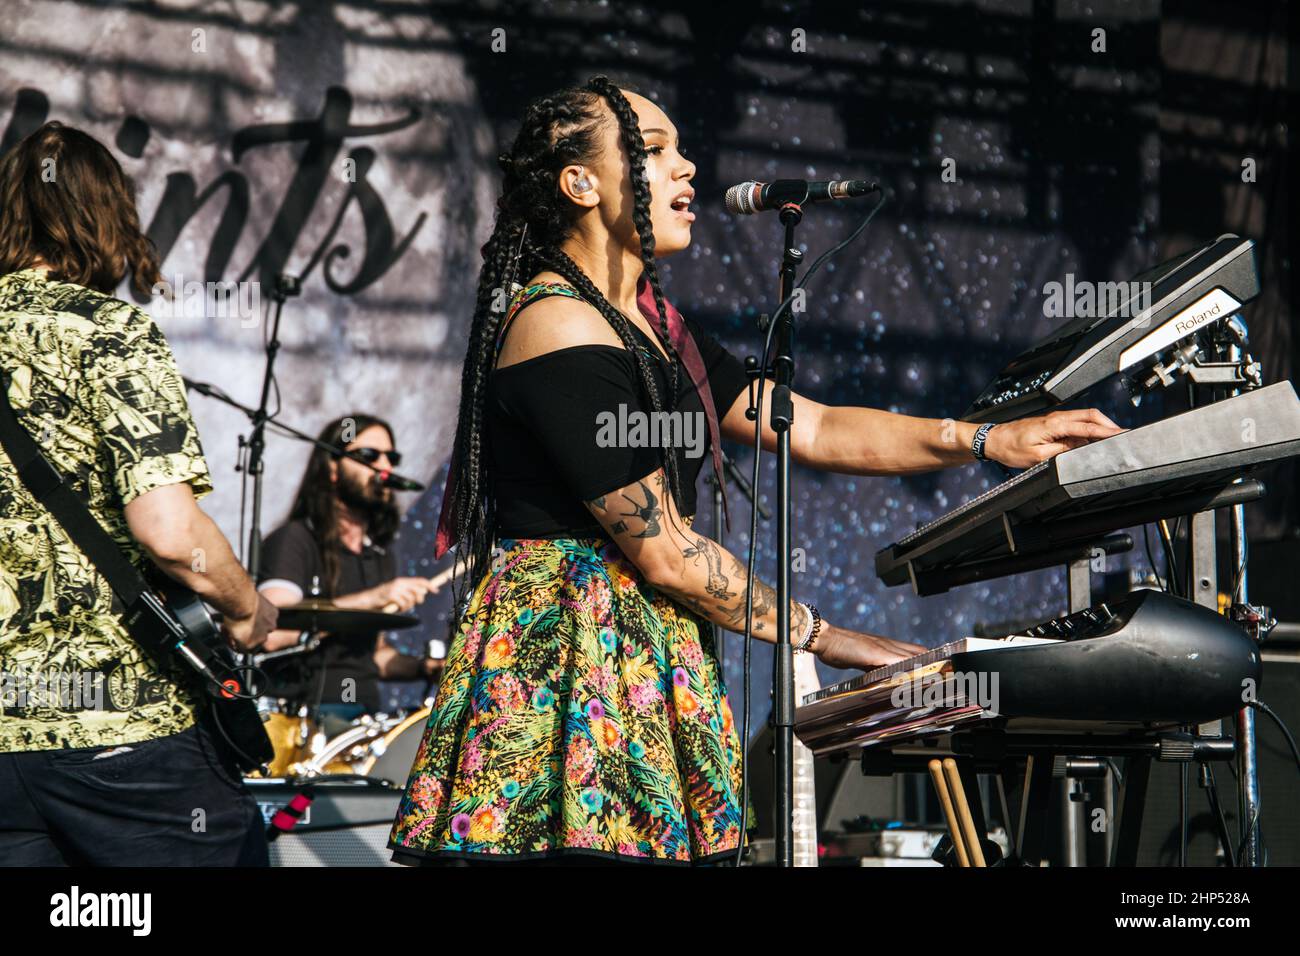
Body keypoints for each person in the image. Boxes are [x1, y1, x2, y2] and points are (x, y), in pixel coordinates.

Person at [388, 76, 1123, 866]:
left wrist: (987, 440)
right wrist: (835, 640)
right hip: (568, 661)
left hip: (642, 647)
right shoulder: (558, 324)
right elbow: (664, 551)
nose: (688, 168)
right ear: (580, 182)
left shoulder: (656, 328)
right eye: (655, 150)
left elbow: (816, 425)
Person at [0, 121, 279, 866]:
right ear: (107, 215)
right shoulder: (106, 330)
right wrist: (248, 609)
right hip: (117, 731)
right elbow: (167, 529)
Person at [257, 414, 442, 734]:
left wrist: (425, 668)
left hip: (366, 717)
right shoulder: (295, 540)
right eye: (369, 456)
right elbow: (270, 634)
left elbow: (378, 656)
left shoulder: (378, 554)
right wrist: (374, 598)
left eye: (391, 457)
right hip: (302, 716)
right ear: (331, 467)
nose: (384, 466)